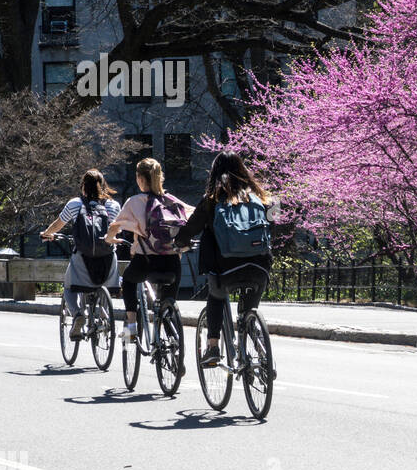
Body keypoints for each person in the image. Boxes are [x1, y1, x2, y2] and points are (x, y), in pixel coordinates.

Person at [174, 151, 274, 367]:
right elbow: (275, 220)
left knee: (216, 295)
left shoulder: (211, 200)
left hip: (225, 271)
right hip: (259, 267)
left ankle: (212, 346)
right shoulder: (261, 197)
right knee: (249, 308)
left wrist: (178, 243)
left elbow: (190, 229)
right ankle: (257, 343)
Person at [104, 158, 192, 343]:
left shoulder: (135, 202)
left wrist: (109, 239)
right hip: (173, 263)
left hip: (146, 262)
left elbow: (115, 226)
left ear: (140, 178)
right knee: (168, 305)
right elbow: (192, 216)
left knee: (128, 282)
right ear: (160, 178)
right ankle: (174, 345)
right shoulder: (173, 201)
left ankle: (131, 326)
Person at [41, 169, 121, 339]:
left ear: (83, 186)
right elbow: (116, 229)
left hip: (83, 258)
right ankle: (104, 316)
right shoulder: (113, 206)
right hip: (107, 258)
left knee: (69, 287)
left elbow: (58, 224)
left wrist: (47, 233)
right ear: (104, 186)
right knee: (104, 288)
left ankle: (78, 314)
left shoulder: (75, 204)